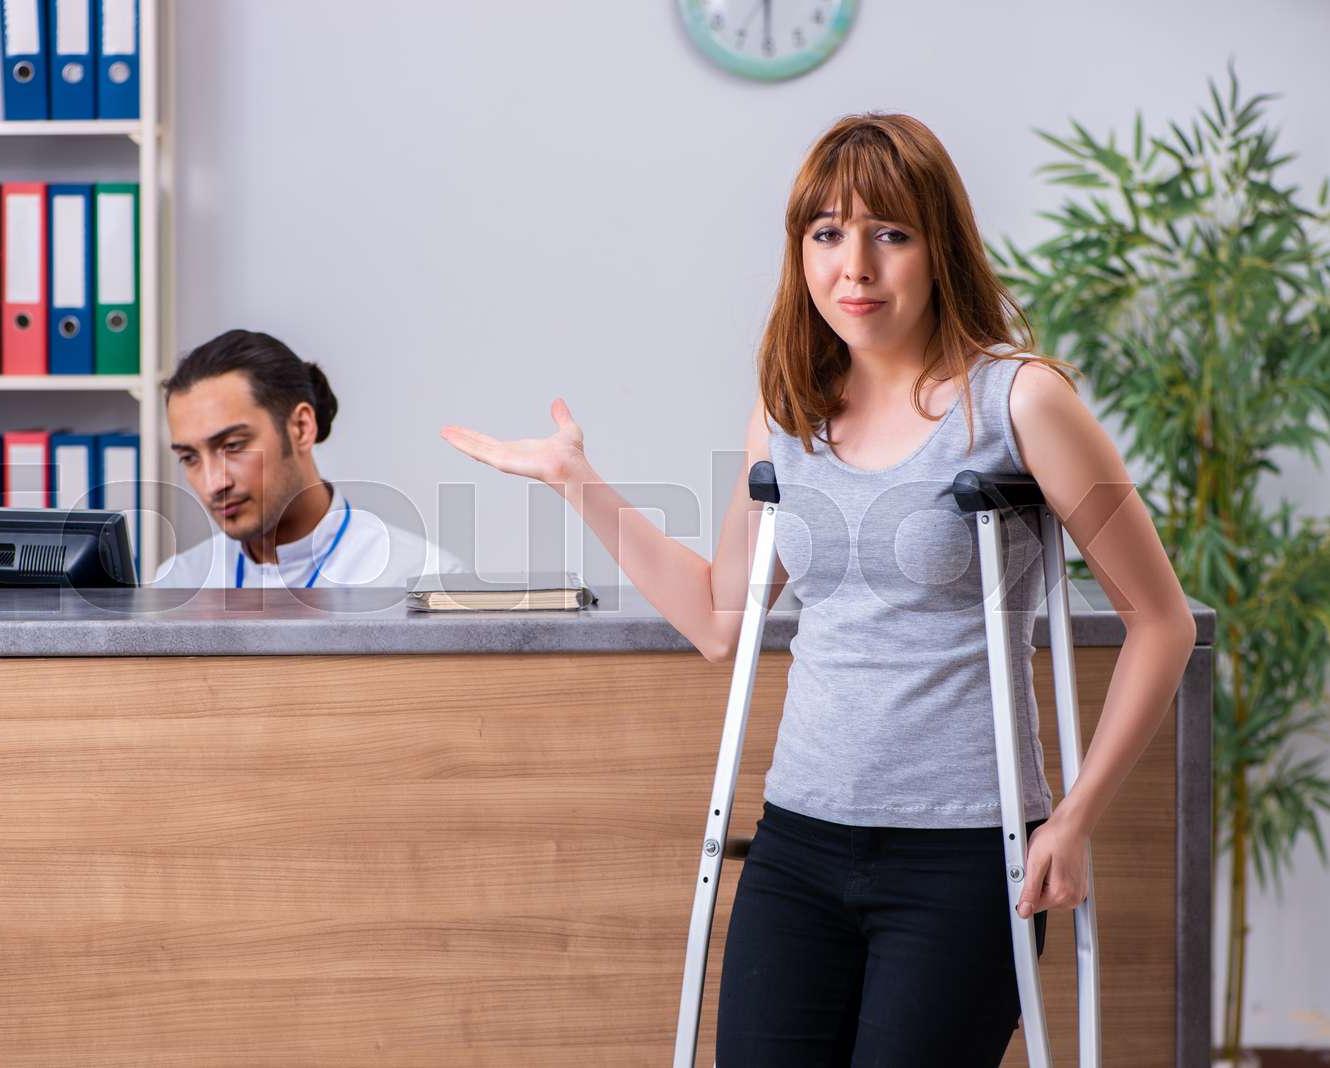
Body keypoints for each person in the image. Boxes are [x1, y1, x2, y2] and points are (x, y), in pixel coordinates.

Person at [439, 112, 1197, 1065]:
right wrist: (575, 480)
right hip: (799, 844)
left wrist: (1076, 818)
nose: (856, 268)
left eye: (891, 234)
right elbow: (720, 620)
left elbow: (1160, 623)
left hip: (964, 854)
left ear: (940, 247)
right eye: (828, 234)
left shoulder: (1021, 400)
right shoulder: (789, 408)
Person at [155, 329, 466, 589]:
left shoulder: (423, 580)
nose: (213, 484)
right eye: (189, 458)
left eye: (233, 446)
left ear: (301, 428)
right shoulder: (178, 583)